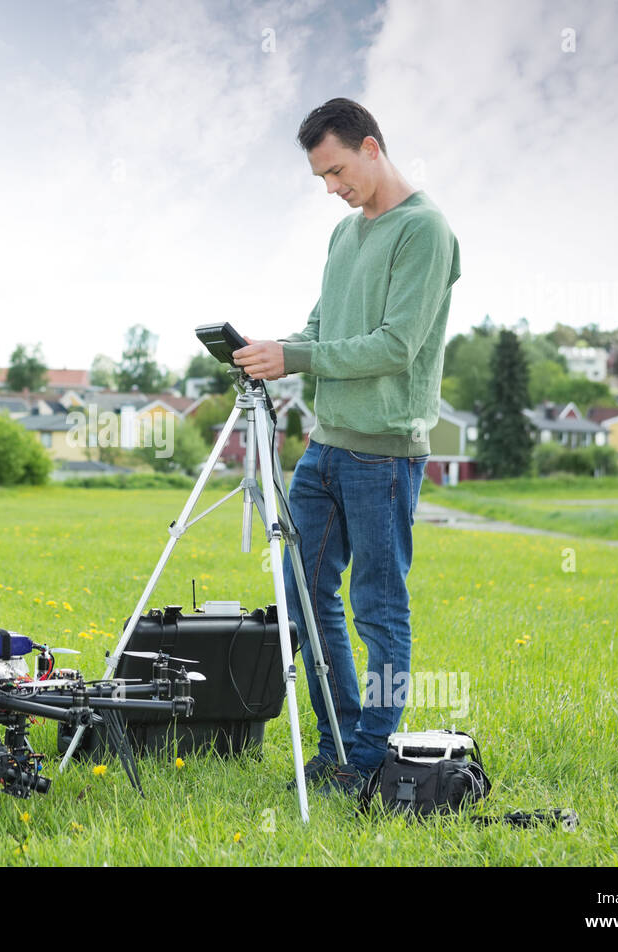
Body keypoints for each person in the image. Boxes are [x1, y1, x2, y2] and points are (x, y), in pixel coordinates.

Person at [233, 98, 461, 795]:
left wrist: (298, 360)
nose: (333, 188)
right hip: (325, 449)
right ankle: (338, 745)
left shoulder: (424, 232)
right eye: (322, 179)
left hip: (384, 453)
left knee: (379, 609)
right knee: (304, 599)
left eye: (337, 171)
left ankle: (373, 755)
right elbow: (321, 325)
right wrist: (274, 353)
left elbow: (396, 346)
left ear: (370, 147)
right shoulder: (345, 236)